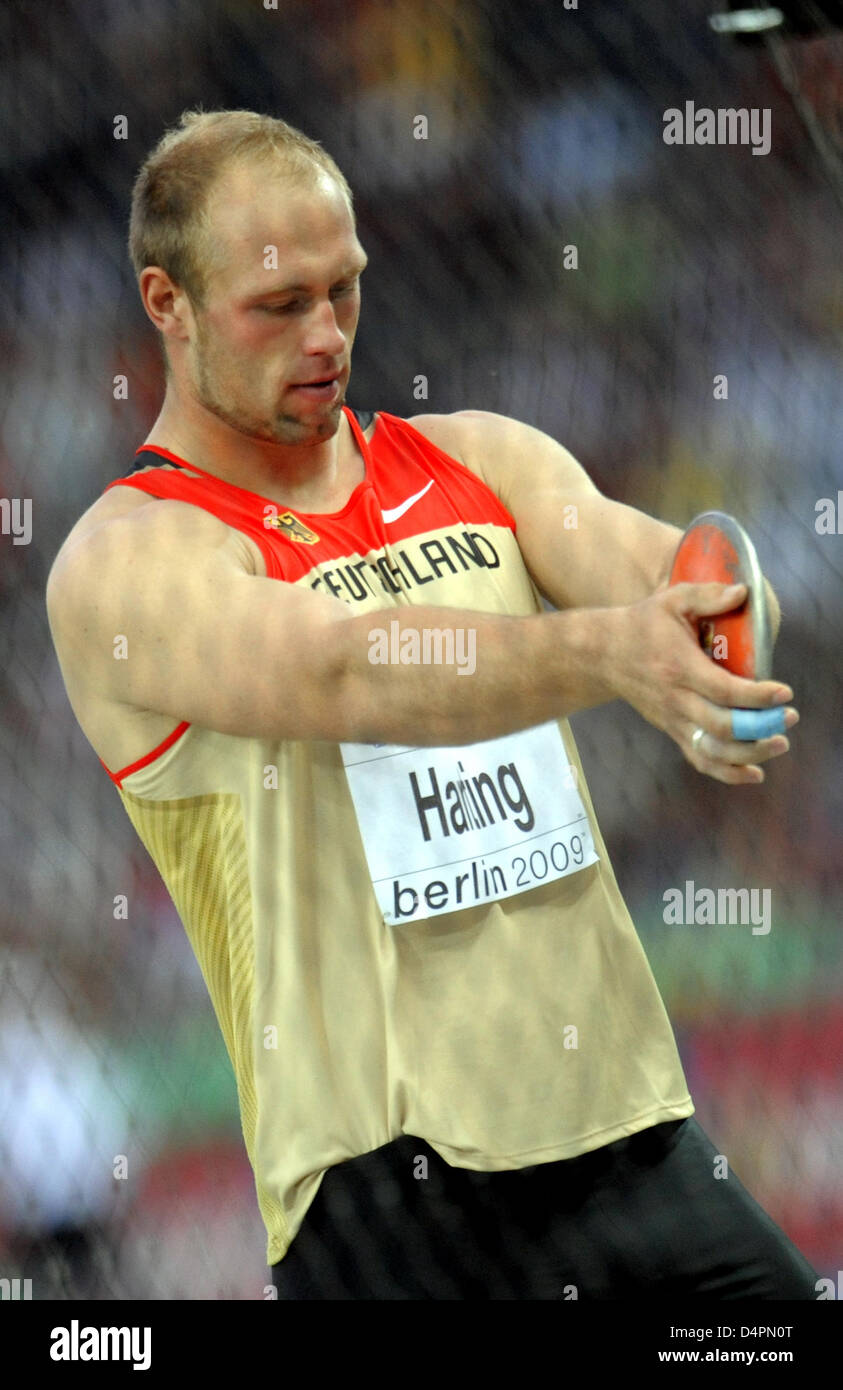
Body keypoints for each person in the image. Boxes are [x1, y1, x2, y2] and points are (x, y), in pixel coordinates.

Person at [45, 109, 816, 1300]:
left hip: (629, 1137)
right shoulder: (131, 563)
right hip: (387, 1206)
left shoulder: (481, 460)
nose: (326, 333)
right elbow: (346, 673)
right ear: (167, 302)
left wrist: (718, 627)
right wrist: (616, 655)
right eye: (278, 303)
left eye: (344, 289)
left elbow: (675, 575)